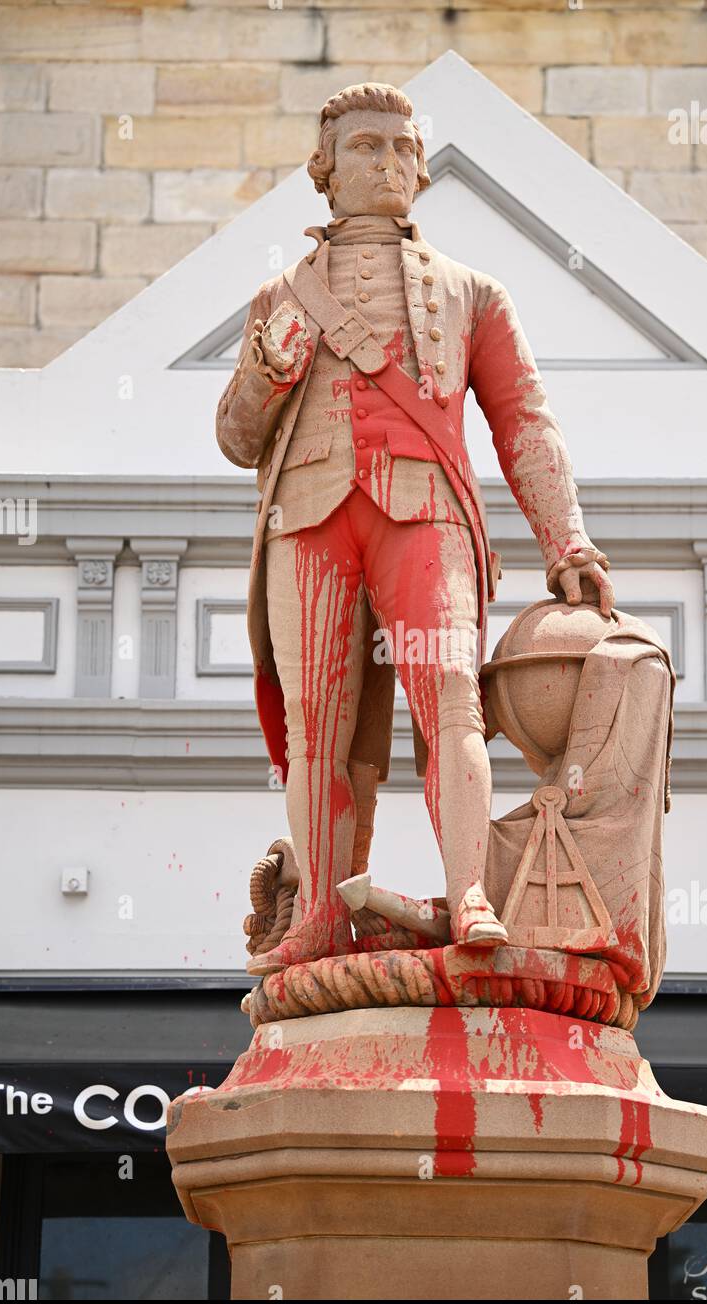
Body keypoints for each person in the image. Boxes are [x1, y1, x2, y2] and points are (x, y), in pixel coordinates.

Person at [215, 83, 613, 975]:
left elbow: (524, 421)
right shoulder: (278, 298)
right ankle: (320, 915)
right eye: (366, 146)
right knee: (315, 728)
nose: (389, 161)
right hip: (308, 520)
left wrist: (568, 542)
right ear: (324, 170)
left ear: (423, 170)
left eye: (404, 147)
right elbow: (237, 439)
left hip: (426, 514)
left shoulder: (474, 293)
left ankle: (470, 891)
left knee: (451, 701)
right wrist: (267, 376)